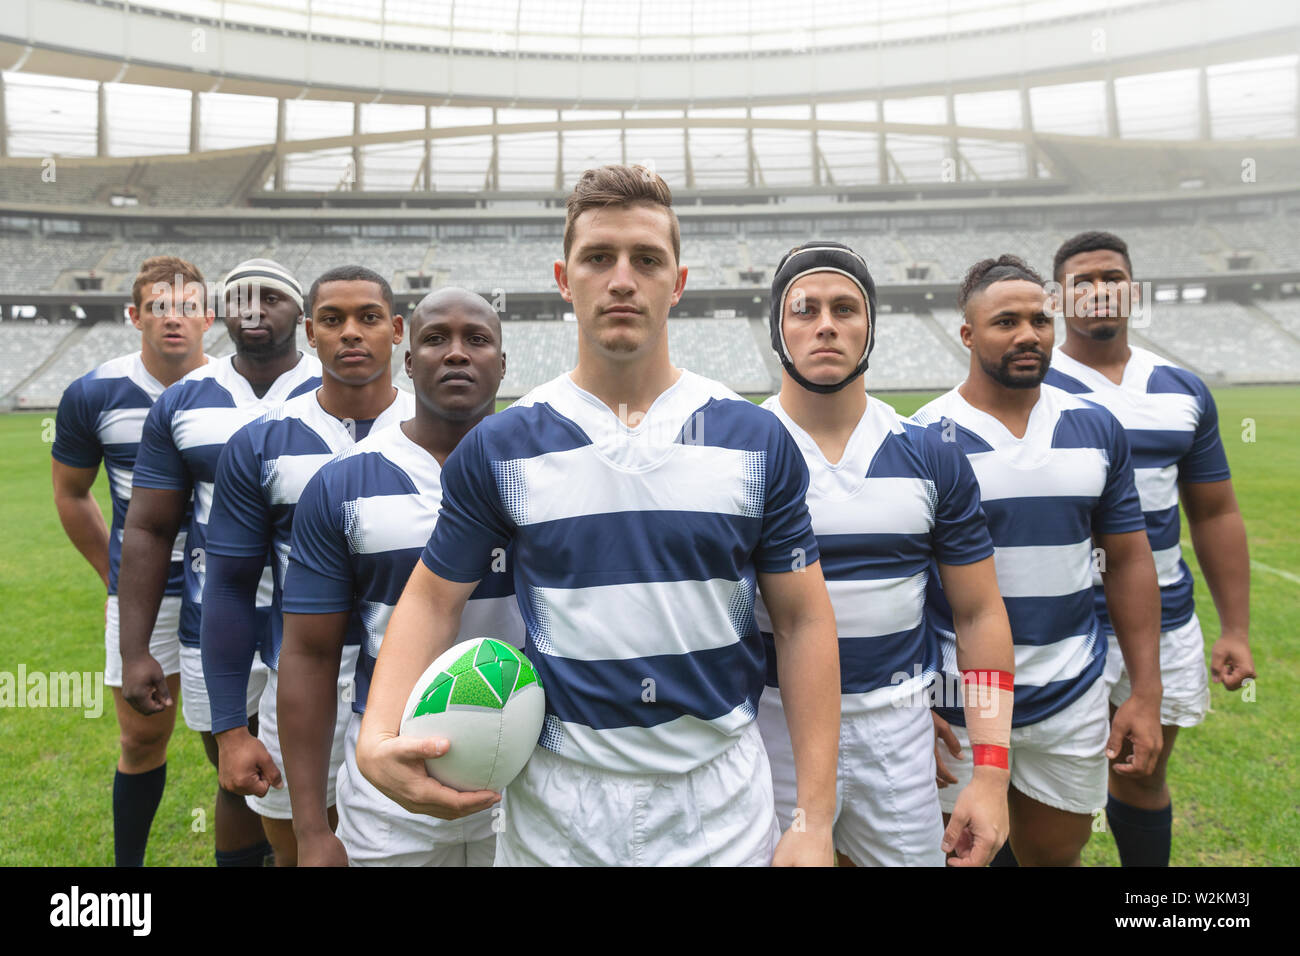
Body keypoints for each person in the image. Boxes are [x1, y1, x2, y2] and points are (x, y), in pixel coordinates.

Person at [358, 164, 841, 867]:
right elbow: (433, 598)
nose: (622, 279)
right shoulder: (504, 447)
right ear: (564, 277)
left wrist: (814, 817)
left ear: (677, 282)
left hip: (718, 804)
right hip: (560, 806)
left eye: (646, 260)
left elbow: (803, 621)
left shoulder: (754, 440)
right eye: (598, 258)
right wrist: (374, 738)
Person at [754, 241, 1015, 867]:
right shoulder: (740, 454)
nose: (826, 324)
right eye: (805, 309)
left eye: (846, 308)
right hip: (769, 728)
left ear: (871, 328)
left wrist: (991, 771)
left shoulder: (929, 454)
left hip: (897, 729)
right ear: (777, 329)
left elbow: (979, 614)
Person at [912, 254, 1163, 866]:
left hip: (1070, 691)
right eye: (1005, 322)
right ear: (967, 334)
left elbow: (1128, 561)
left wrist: (1145, 694)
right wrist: (912, 703)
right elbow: (906, 589)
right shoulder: (923, 437)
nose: (1028, 334)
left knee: (1055, 856)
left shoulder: (1095, 427)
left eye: (1040, 320)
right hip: (959, 699)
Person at [280, 287, 523, 867]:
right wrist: (311, 829)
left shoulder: (546, 474)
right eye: (436, 339)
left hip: (528, 771)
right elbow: (310, 656)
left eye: (478, 339)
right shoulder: (343, 483)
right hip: (390, 781)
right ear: (410, 362)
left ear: (503, 363)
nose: (457, 353)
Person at [1044, 230, 1256, 866]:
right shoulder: (1029, 386)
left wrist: (1237, 629)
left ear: (1133, 291)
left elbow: (1214, 510)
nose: (1100, 291)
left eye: (1112, 277)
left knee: (1142, 774)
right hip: (1060, 624)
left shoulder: (1181, 390)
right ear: (1058, 299)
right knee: (1048, 797)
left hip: (1162, 619)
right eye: (1082, 281)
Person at [202, 265, 413, 867]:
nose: (351, 333)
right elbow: (230, 586)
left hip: (408, 684)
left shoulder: (444, 433)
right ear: (309, 333)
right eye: (332, 320)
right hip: (297, 683)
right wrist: (229, 728)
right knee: (303, 853)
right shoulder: (262, 442)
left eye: (368, 318)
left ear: (396, 330)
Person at [123, 258, 321, 867]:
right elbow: (151, 528)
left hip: (319, 623)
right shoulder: (183, 402)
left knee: (325, 780)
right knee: (236, 776)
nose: (253, 310)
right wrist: (135, 649)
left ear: (303, 317)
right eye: (238, 299)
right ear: (221, 313)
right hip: (218, 618)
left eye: (270, 297)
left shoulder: (334, 386)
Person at [52, 255, 211, 866]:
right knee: (142, 736)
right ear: (134, 316)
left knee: (242, 731)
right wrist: (118, 579)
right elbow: (71, 493)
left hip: (230, 588)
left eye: (187, 307)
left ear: (209, 317)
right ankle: (127, 879)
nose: (174, 319)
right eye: (159, 307)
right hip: (147, 597)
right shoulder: (92, 393)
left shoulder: (237, 389)